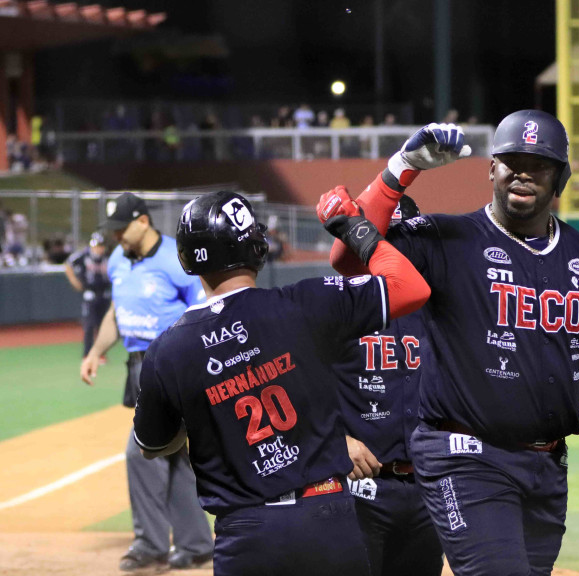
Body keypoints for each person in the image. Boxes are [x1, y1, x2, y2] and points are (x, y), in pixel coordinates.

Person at [322, 111, 579, 576]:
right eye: (511, 160)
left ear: (561, 179)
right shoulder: (444, 238)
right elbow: (348, 260)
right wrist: (401, 168)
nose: (522, 172)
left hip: (547, 466)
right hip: (463, 454)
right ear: (491, 169)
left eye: (539, 164)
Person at [133, 190, 431, 575]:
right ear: (257, 246)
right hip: (327, 517)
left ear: (187, 258)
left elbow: (153, 445)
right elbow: (411, 286)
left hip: (245, 533)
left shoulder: (167, 350)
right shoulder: (304, 304)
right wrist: (353, 226)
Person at [79, 192, 214, 572]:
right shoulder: (119, 259)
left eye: (121, 227)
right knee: (175, 459)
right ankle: (197, 544)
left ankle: (151, 546)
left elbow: (203, 309)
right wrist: (94, 352)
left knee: (140, 451)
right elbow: (116, 313)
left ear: (143, 221)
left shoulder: (177, 258)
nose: (116, 235)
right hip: (137, 365)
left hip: (172, 366)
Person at [335, 195, 444, 576]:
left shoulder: (442, 308)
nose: (391, 251)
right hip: (357, 489)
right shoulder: (336, 306)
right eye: (383, 240)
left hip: (429, 489)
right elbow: (298, 387)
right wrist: (337, 440)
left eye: (401, 241)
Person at [64, 231, 112, 358]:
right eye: (97, 245)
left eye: (101, 245)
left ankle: (101, 354)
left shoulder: (108, 256)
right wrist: (75, 282)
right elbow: (68, 265)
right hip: (90, 295)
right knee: (90, 325)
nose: (99, 249)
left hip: (105, 294)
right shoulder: (83, 256)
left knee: (104, 326)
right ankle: (87, 355)